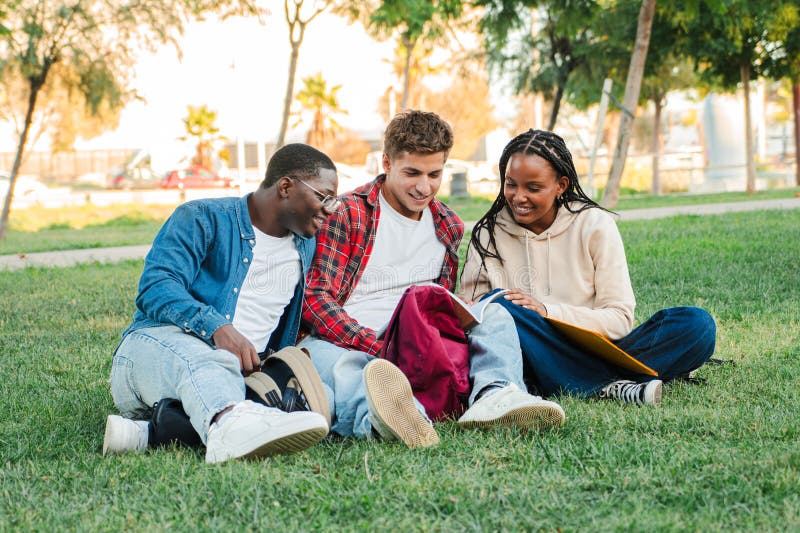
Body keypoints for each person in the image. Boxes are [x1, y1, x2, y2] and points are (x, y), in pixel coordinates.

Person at [300, 110, 565, 448]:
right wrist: (376, 346)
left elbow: (440, 297)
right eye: (412, 173)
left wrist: (461, 313)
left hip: (417, 336)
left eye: (434, 174)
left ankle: (495, 395)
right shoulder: (349, 213)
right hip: (354, 340)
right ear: (387, 163)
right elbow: (317, 299)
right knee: (339, 365)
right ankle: (388, 419)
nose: (424, 186)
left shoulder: (447, 224)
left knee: (495, 312)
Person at [103, 143, 340, 463]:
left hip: (234, 380)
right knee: (214, 362)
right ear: (286, 186)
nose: (330, 208)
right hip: (151, 355)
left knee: (320, 397)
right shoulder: (201, 218)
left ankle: (148, 433)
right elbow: (156, 288)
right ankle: (228, 424)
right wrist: (217, 327)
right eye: (324, 197)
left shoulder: (303, 245)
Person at [460, 129, 717, 405]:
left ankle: (578, 380)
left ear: (561, 185)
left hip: (598, 347)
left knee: (696, 325)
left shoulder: (594, 225)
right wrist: (494, 310)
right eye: (511, 184)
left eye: (533, 188)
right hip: (530, 352)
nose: (518, 197)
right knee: (500, 305)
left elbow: (619, 319)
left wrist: (547, 311)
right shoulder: (488, 234)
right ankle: (611, 385)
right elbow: (475, 316)